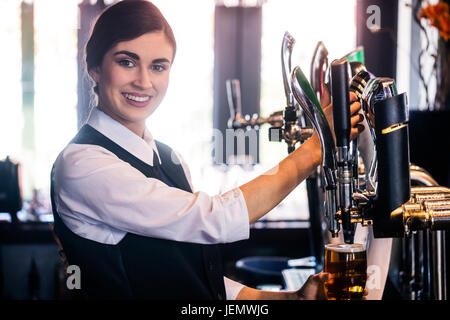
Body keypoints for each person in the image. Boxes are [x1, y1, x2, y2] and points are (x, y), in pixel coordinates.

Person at [51, 0, 365, 300]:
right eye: (126, 62)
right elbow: (214, 220)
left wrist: (291, 298)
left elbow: (198, 280)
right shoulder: (82, 163)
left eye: (158, 66)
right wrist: (314, 149)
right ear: (94, 68)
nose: (143, 81)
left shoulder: (167, 158)